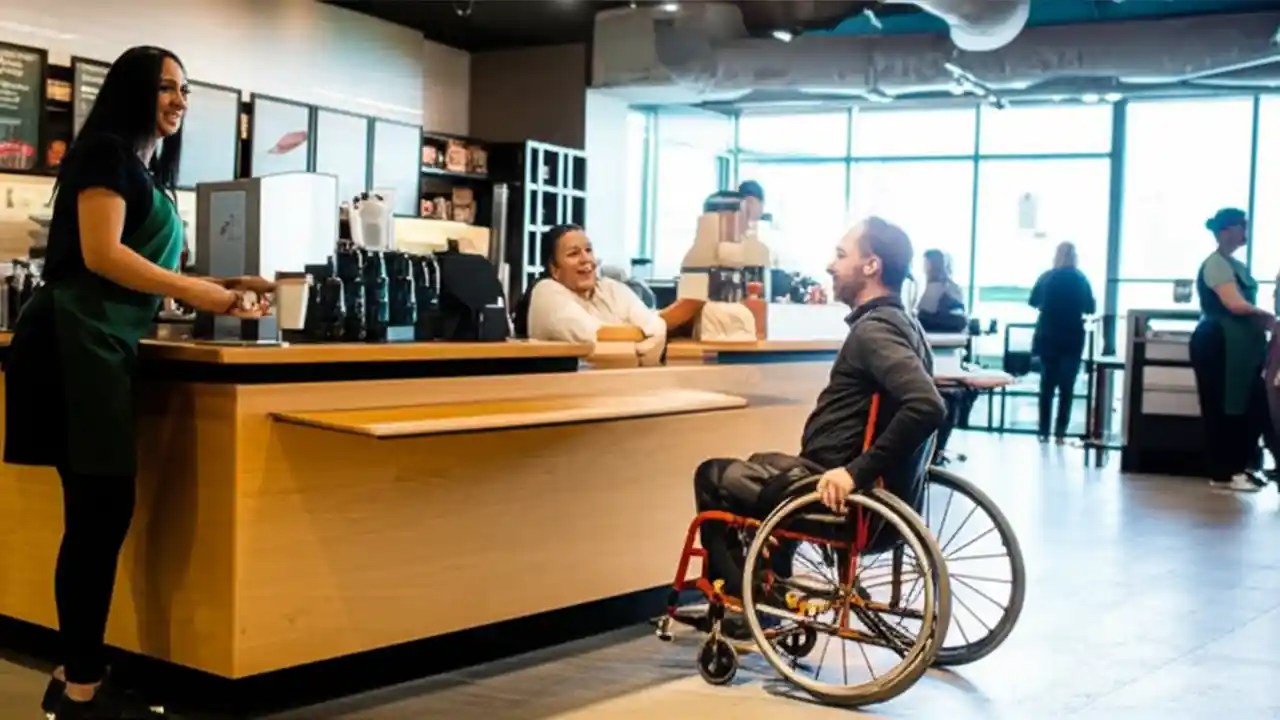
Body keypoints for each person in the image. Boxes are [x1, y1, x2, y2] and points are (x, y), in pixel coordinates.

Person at [1, 46, 272, 719]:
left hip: (100, 346)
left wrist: (226, 287)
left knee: (99, 515)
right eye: (165, 88)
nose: (179, 101)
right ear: (131, 92)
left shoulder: (149, 173)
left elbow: (151, 273)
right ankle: (83, 691)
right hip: (72, 343)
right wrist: (201, 292)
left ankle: (75, 677)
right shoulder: (105, 154)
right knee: (98, 515)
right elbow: (102, 255)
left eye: (185, 89)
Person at [691, 216, 946, 620]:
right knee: (763, 463)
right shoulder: (905, 324)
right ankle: (773, 582)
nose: (830, 265)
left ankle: (746, 600)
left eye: (841, 255)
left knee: (711, 475)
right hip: (877, 496)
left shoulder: (874, 333)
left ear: (871, 266)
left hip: (842, 499)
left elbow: (927, 406)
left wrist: (855, 473)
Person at [1189, 208, 1274, 492]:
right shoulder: (1215, 265)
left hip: (1242, 348)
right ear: (1225, 231)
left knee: (1247, 404)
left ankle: (1242, 466)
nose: (1244, 231)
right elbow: (1234, 304)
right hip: (1219, 343)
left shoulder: (1236, 266)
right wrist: (1270, 320)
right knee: (1223, 405)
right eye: (1240, 226)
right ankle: (1224, 471)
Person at [522, 224, 667, 366]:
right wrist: (640, 337)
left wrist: (650, 332)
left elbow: (654, 324)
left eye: (588, 250)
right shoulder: (545, 291)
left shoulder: (609, 287)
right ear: (554, 269)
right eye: (573, 253)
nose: (586, 260)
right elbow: (594, 335)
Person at [1029, 242, 1096, 444]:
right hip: (1072, 338)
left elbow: (1033, 301)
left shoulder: (1047, 277)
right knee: (1067, 388)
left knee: (1046, 387)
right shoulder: (1080, 279)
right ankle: (1060, 432)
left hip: (1048, 336)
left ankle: (1043, 431)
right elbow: (1090, 307)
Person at [916, 249, 967, 334]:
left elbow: (925, 309)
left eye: (925, 263)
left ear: (932, 264)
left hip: (940, 324)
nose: (923, 267)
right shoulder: (949, 284)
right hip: (957, 325)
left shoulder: (935, 285)